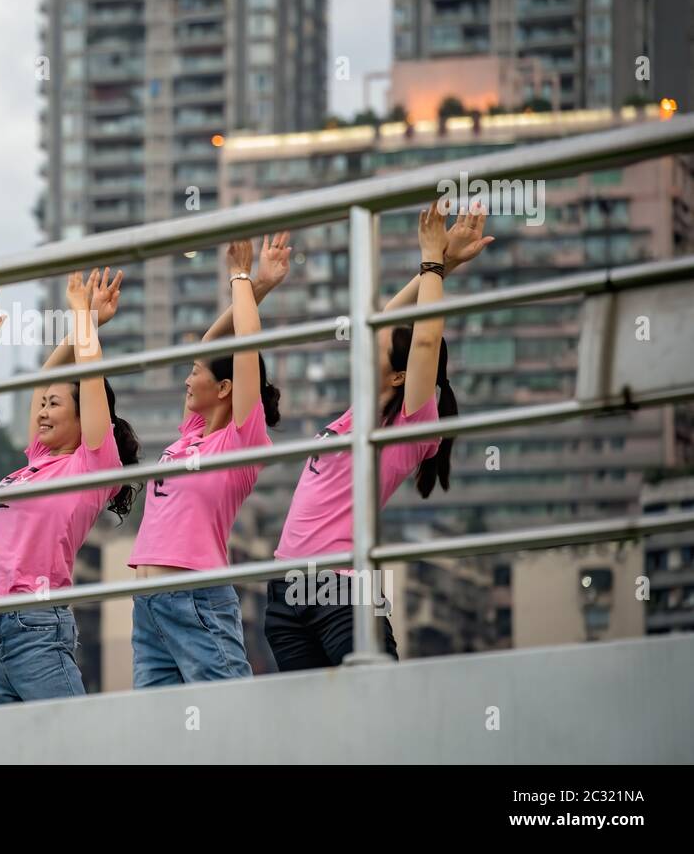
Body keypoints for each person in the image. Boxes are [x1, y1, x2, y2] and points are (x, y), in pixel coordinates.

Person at [265, 200, 493, 669]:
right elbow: (390, 314)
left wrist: (432, 262)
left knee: (377, 706)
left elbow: (425, 339)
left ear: (399, 378)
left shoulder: (411, 421)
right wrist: (442, 265)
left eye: (382, 349)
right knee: (316, 732)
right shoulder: (361, 413)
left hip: (339, 588)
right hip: (287, 590)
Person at [0, 268, 140, 704]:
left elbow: (89, 375)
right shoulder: (37, 460)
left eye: (54, 405)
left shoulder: (92, 464)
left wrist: (84, 319)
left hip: (36, 623)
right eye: (42, 404)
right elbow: (47, 377)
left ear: (85, 419)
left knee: (69, 742)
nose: (43, 411)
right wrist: (83, 326)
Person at [128, 234, 290, 686]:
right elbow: (211, 341)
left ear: (224, 389)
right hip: (148, 605)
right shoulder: (192, 435)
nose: (187, 378)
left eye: (196, 373)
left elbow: (244, 351)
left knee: (226, 716)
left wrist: (239, 277)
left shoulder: (240, 438)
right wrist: (260, 285)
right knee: (159, 733)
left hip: (196, 596)